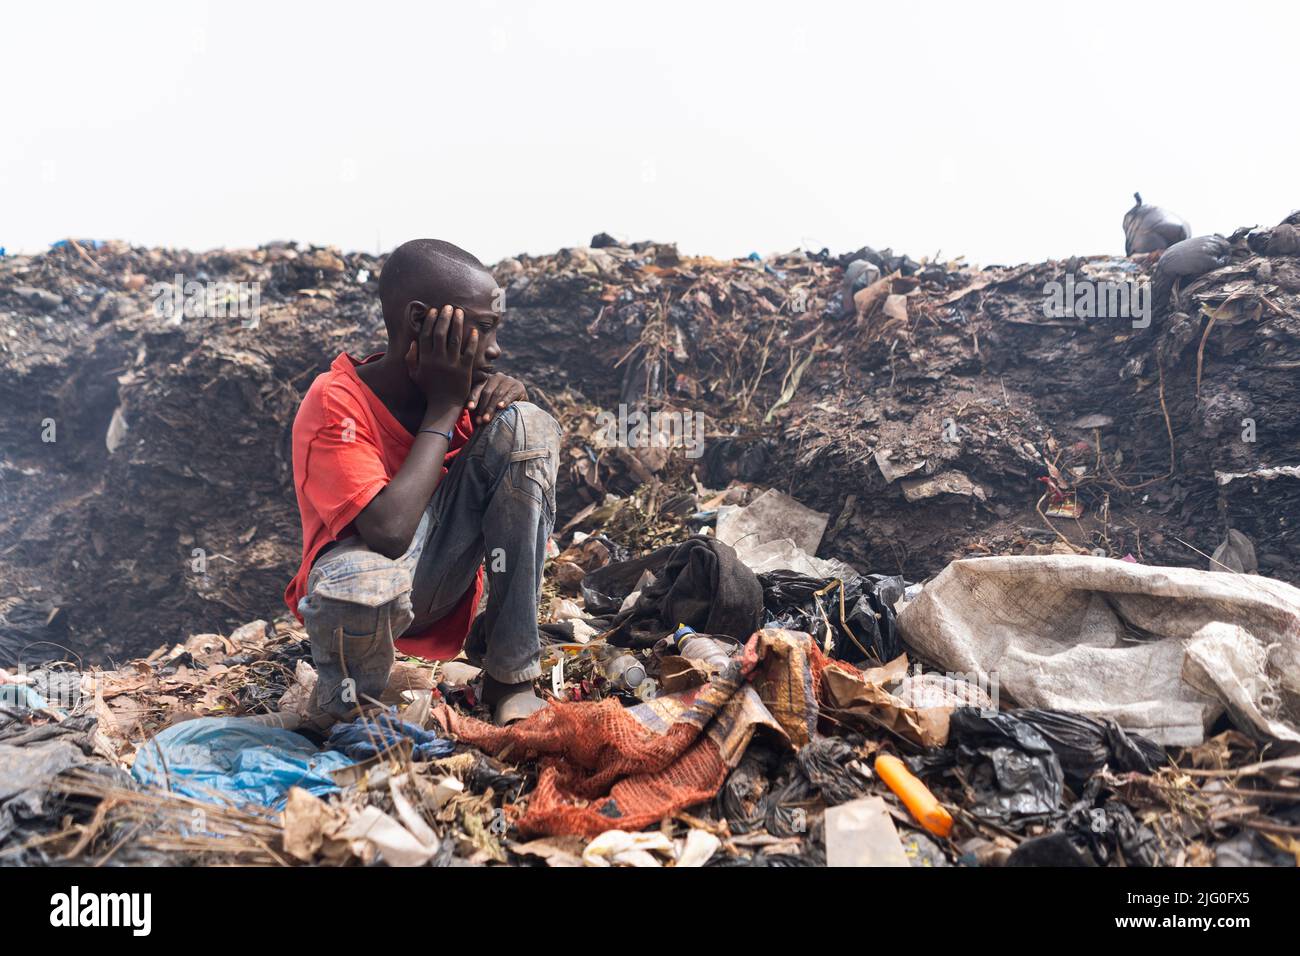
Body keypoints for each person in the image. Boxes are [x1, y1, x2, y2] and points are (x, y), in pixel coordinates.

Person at [284, 239, 560, 725]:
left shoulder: (468, 393)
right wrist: (445, 408)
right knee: (362, 578)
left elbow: (513, 489)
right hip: (364, 596)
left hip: (441, 585)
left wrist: (505, 411)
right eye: (483, 329)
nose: (495, 350)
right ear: (420, 322)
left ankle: (510, 678)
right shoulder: (334, 402)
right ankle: (343, 705)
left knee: (528, 424)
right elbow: (389, 533)